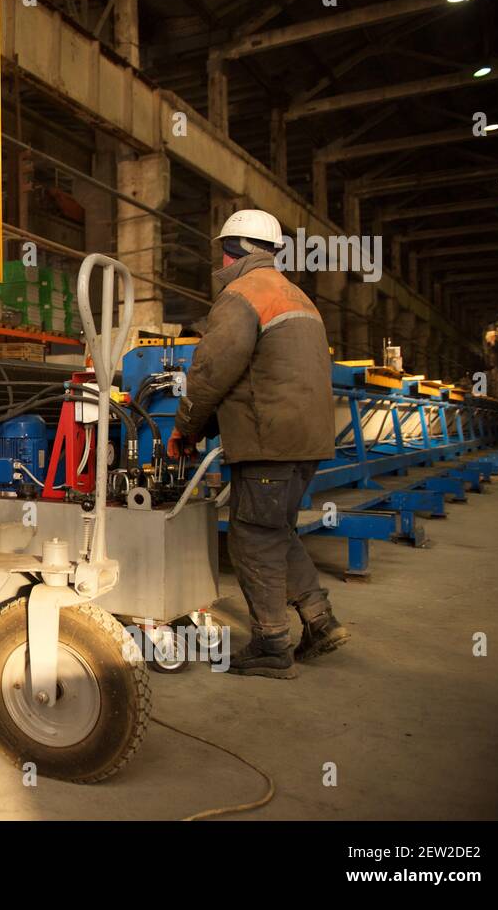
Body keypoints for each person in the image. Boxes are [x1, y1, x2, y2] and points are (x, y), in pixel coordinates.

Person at [167, 209, 349, 678]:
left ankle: (271, 644)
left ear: (231, 251)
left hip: (270, 442)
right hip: (307, 441)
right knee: (276, 531)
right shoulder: (296, 296)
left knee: (252, 539)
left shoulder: (240, 294)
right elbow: (264, 371)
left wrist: (185, 428)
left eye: (221, 252)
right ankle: (320, 620)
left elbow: (212, 371)